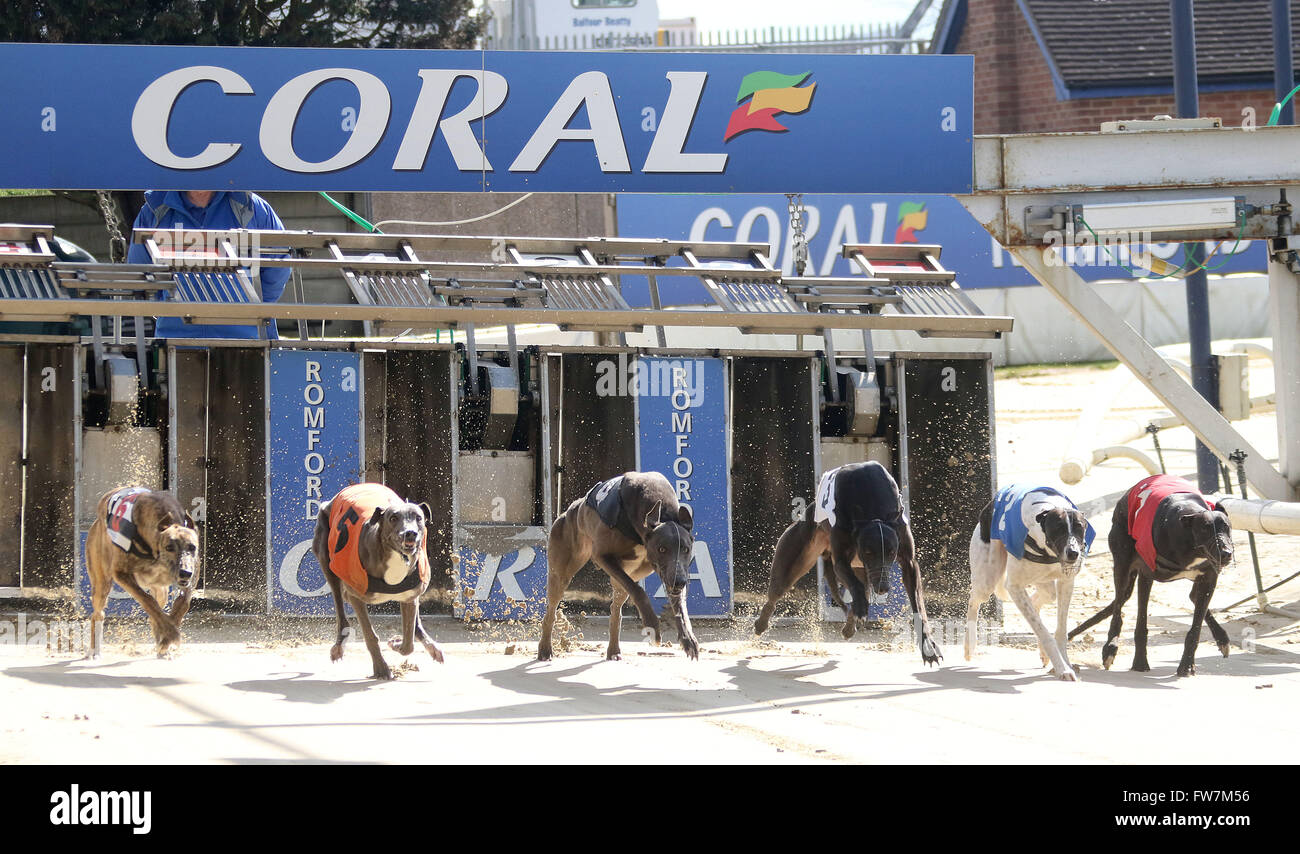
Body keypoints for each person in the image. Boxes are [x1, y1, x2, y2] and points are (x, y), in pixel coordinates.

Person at [126, 190, 291, 339]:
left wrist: (253, 311)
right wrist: (170, 314)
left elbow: (279, 266)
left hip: (248, 340)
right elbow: (140, 276)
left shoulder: (252, 208)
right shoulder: (154, 211)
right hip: (175, 341)